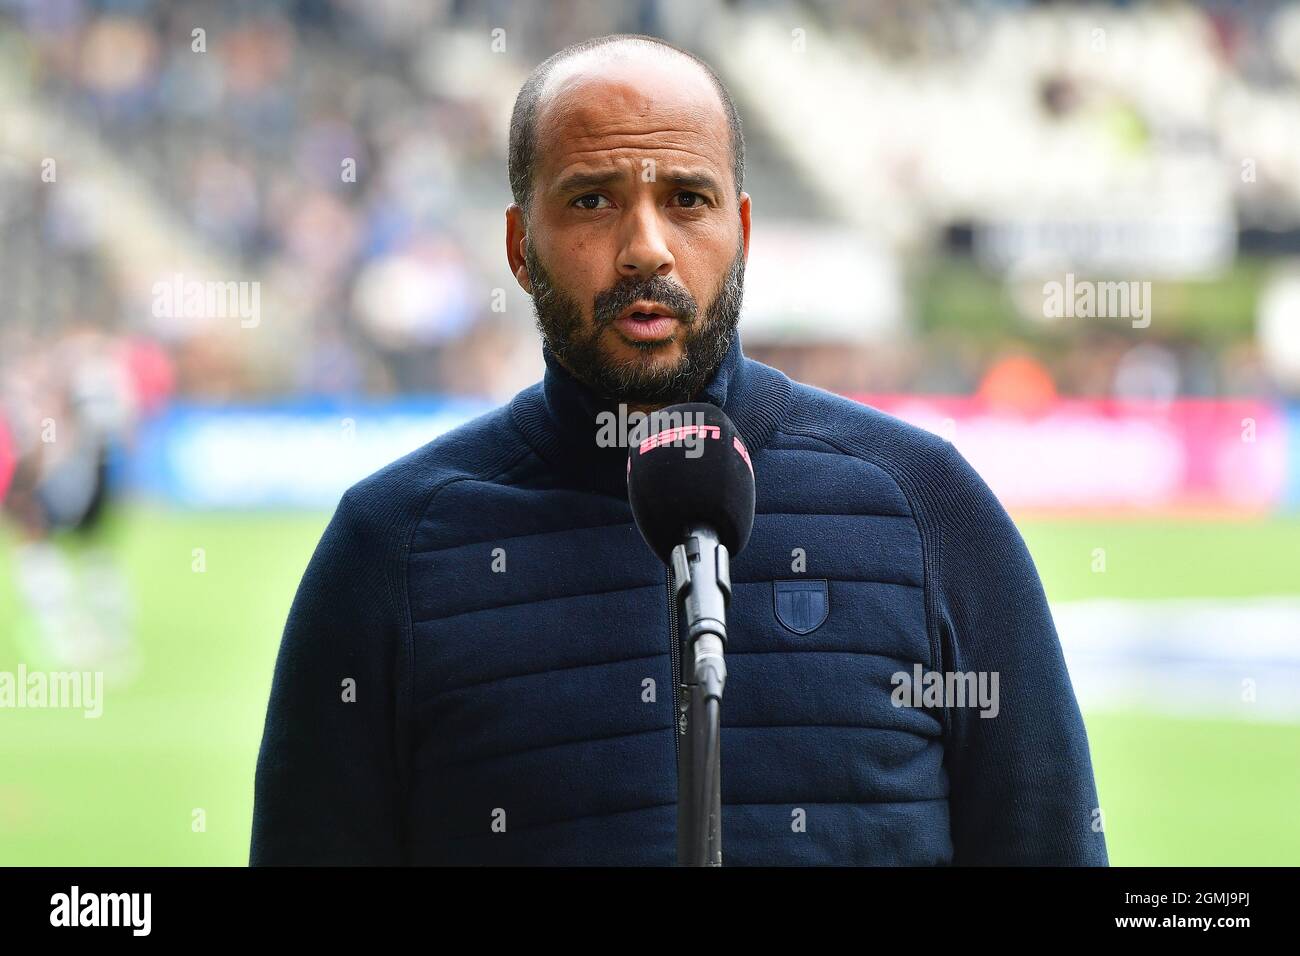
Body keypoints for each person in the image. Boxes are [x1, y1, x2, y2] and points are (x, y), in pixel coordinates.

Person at [251, 34, 1107, 866]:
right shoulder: (389, 548)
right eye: (591, 200)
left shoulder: (928, 507)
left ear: (740, 228)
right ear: (519, 246)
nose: (646, 249)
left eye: (687, 201)